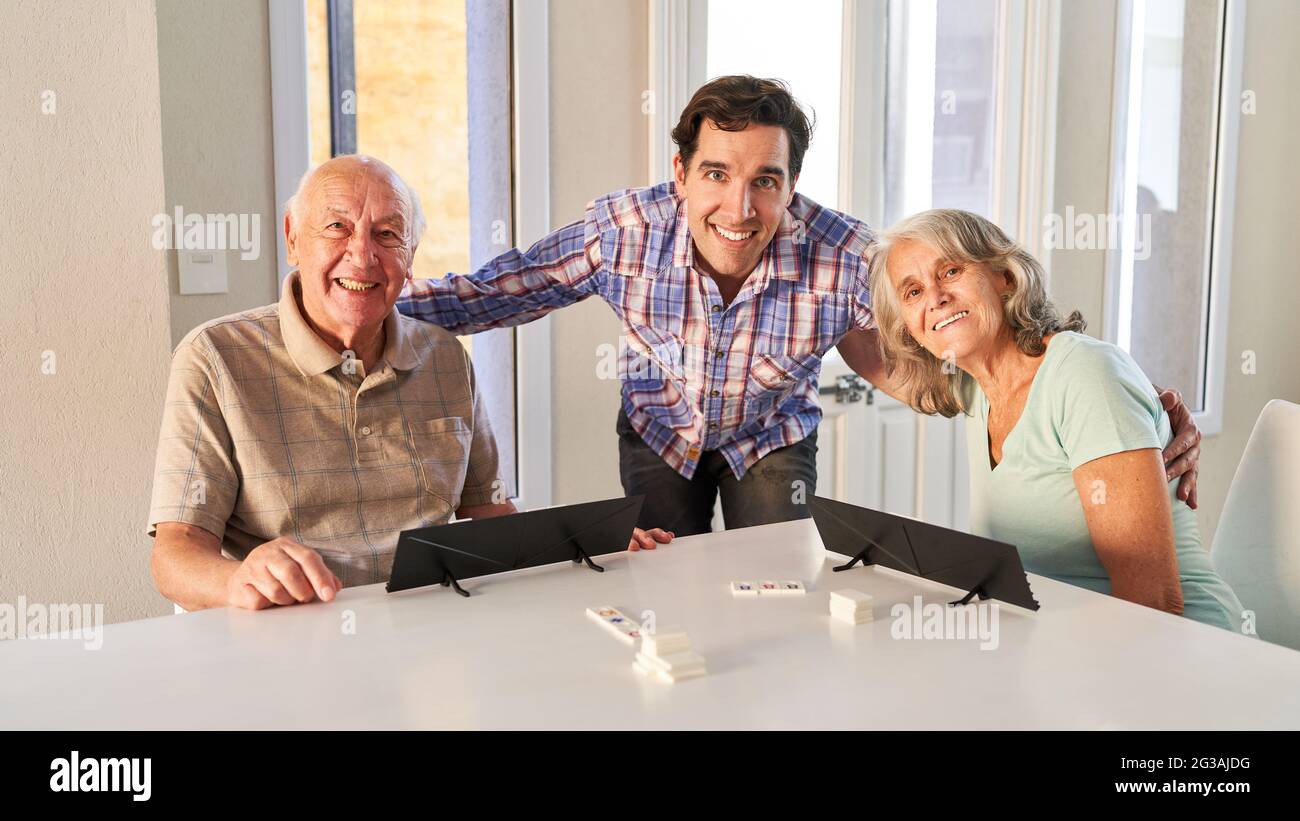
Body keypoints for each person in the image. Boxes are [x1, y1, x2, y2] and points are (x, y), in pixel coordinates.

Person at [397, 74, 1205, 537]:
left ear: (792, 185)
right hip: (658, 431)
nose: (740, 208)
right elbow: (502, 290)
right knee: (655, 570)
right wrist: (366, 311)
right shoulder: (623, 231)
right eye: (716, 174)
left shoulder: (847, 254)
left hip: (771, 439)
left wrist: (1132, 418)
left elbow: (973, 336)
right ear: (680, 174)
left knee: (773, 591)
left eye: (765, 181)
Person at [148, 155, 670, 612]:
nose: (362, 254)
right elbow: (175, 555)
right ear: (291, 237)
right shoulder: (213, 357)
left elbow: (489, 514)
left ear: (411, 255)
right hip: (288, 632)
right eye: (336, 227)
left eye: (387, 234)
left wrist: (584, 539)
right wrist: (239, 579)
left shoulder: (444, 357)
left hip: (429, 624)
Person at [867, 208, 1244, 631]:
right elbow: (865, 356)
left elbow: (1153, 601)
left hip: (1175, 647)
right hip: (1061, 636)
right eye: (913, 292)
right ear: (909, 328)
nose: (935, 297)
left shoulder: (1085, 375)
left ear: (1004, 277)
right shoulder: (972, 387)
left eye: (951, 271)